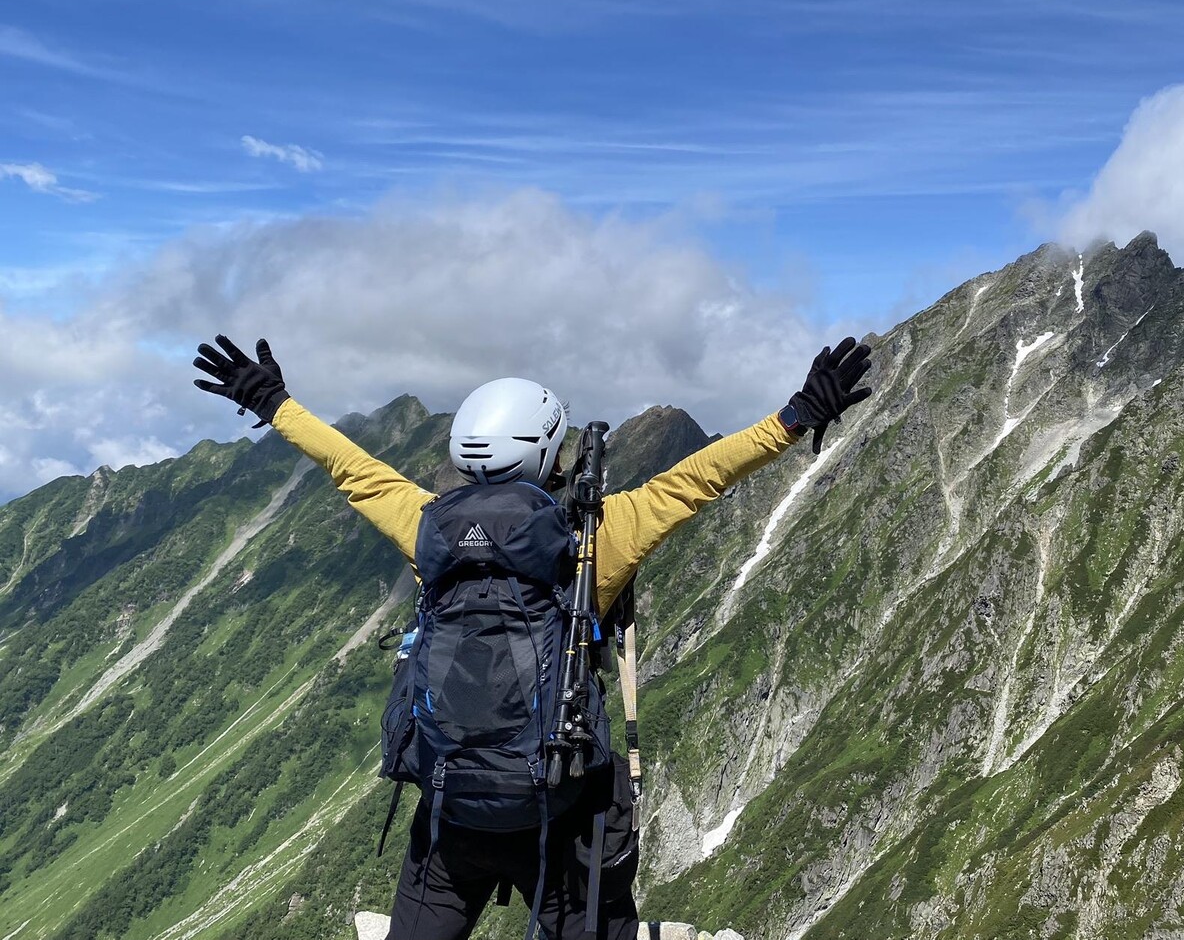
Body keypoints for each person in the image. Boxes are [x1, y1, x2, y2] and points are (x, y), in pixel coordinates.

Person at [192, 334, 872, 940]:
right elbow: (698, 478)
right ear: (548, 448)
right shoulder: (597, 536)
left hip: (453, 808)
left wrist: (274, 401)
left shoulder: (427, 527)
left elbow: (352, 469)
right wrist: (795, 416)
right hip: (561, 806)